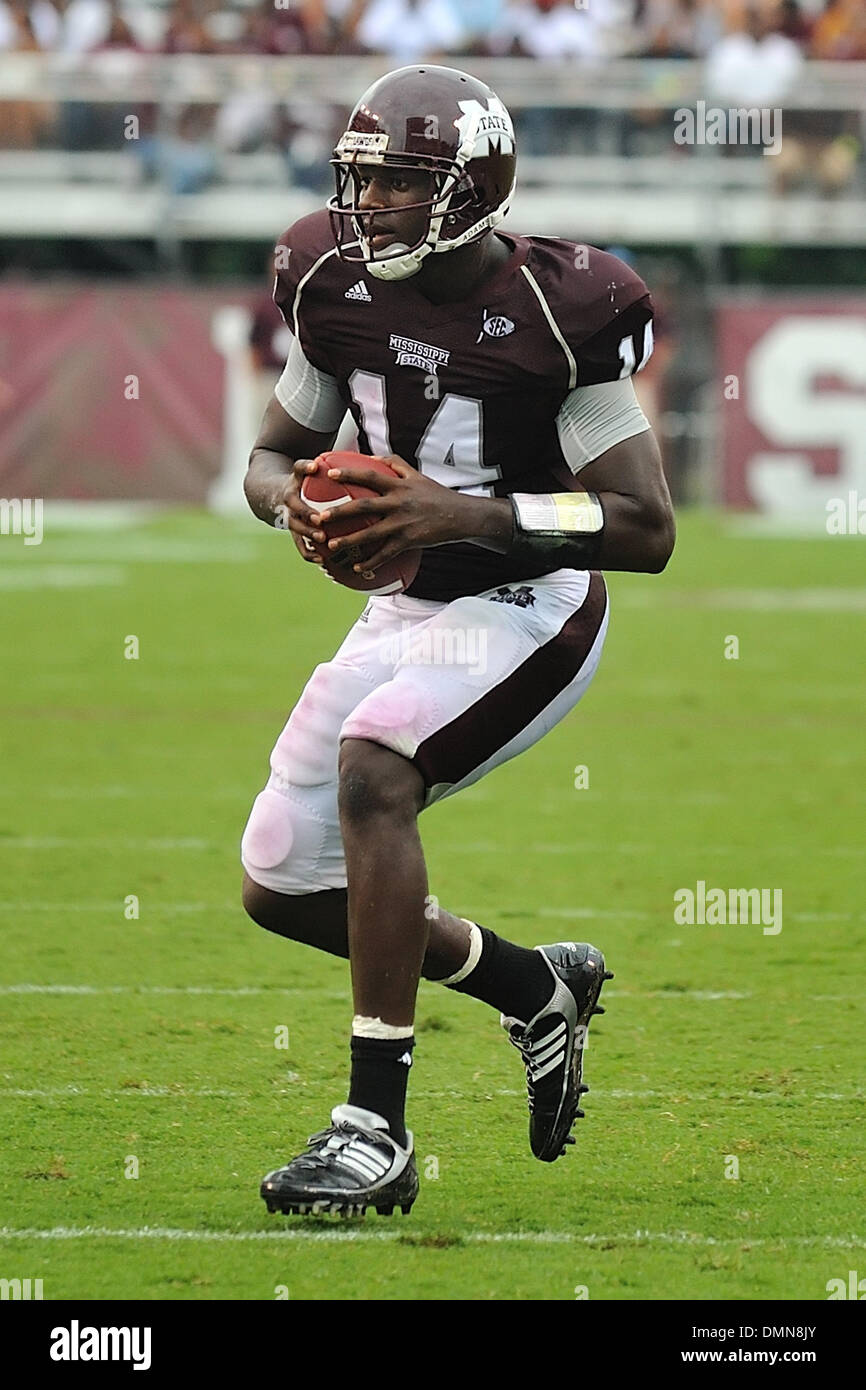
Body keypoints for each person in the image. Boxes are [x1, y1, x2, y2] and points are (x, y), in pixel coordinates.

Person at [241, 64, 675, 1218]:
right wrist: (296, 501)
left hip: (532, 601)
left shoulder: (559, 310)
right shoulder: (325, 279)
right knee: (280, 882)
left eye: (398, 183)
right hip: (403, 604)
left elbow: (643, 526)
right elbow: (267, 456)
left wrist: (464, 515)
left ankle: (371, 1130)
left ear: (472, 189)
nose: (369, 204)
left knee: (373, 771)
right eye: (362, 179)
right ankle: (535, 984)